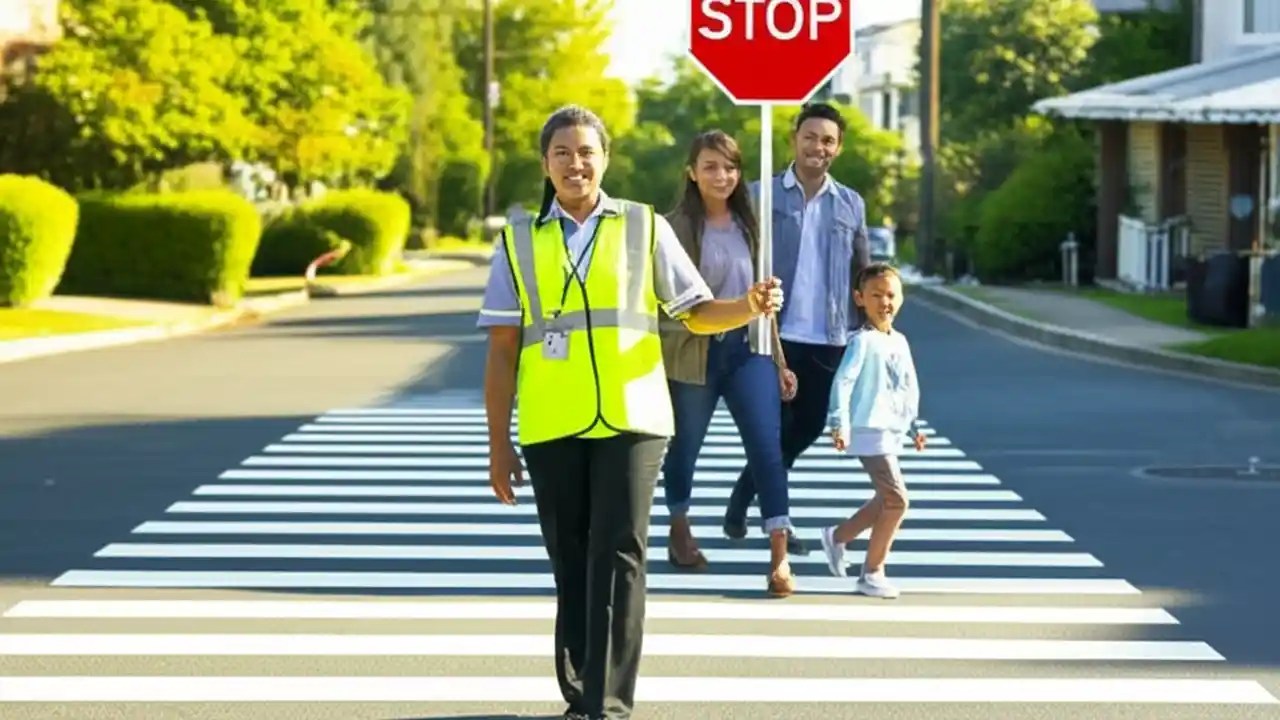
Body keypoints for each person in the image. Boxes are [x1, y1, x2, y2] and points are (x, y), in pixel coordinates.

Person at [477, 105, 785, 720]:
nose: (575, 163)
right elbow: (503, 349)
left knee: (620, 554)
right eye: (562, 153)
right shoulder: (517, 241)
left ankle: (609, 704)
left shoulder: (644, 227)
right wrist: (498, 443)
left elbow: (695, 310)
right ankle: (581, 688)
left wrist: (746, 307)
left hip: (634, 417)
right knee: (570, 556)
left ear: (605, 159)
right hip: (552, 421)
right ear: (546, 164)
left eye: (586, 151)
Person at [722, 102, 872, 554]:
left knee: (803, 430)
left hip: (828, 337)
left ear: (838, 148)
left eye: (828, 140)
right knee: (772, 430)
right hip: (773, 334)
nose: (818, 147)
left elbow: (861, 271)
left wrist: (871, 328)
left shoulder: (851, 202)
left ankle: (746, 493)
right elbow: (735, 255)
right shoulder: (760, 195)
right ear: (794, 139)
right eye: (811, 137)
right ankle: (778, 526)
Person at [658, 129, 798, 597]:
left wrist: (779, 359)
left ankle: (778, 555)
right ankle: (679, 527)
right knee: (684, 448)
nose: (722, 176)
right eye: (711, 166)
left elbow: (764, 299)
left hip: (749, 348)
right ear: (692, 173)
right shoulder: (672, 227)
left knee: (767, 449)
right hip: (693, 352)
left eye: (730, 167)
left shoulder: (752, 223)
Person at [818, 263, 926, 599]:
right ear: (859, 298)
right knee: (897, 500)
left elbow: (907, 388)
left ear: (902, 298)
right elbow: (843, 382)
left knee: (884, 499)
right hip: (868, 428)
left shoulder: (900, 341)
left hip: (891, 428)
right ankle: (872, 571)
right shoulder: (861, 341)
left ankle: (837, 536)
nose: (884, 302)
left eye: (891, 294)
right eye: (876, 295)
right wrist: (839, 423)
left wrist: (913, 427)